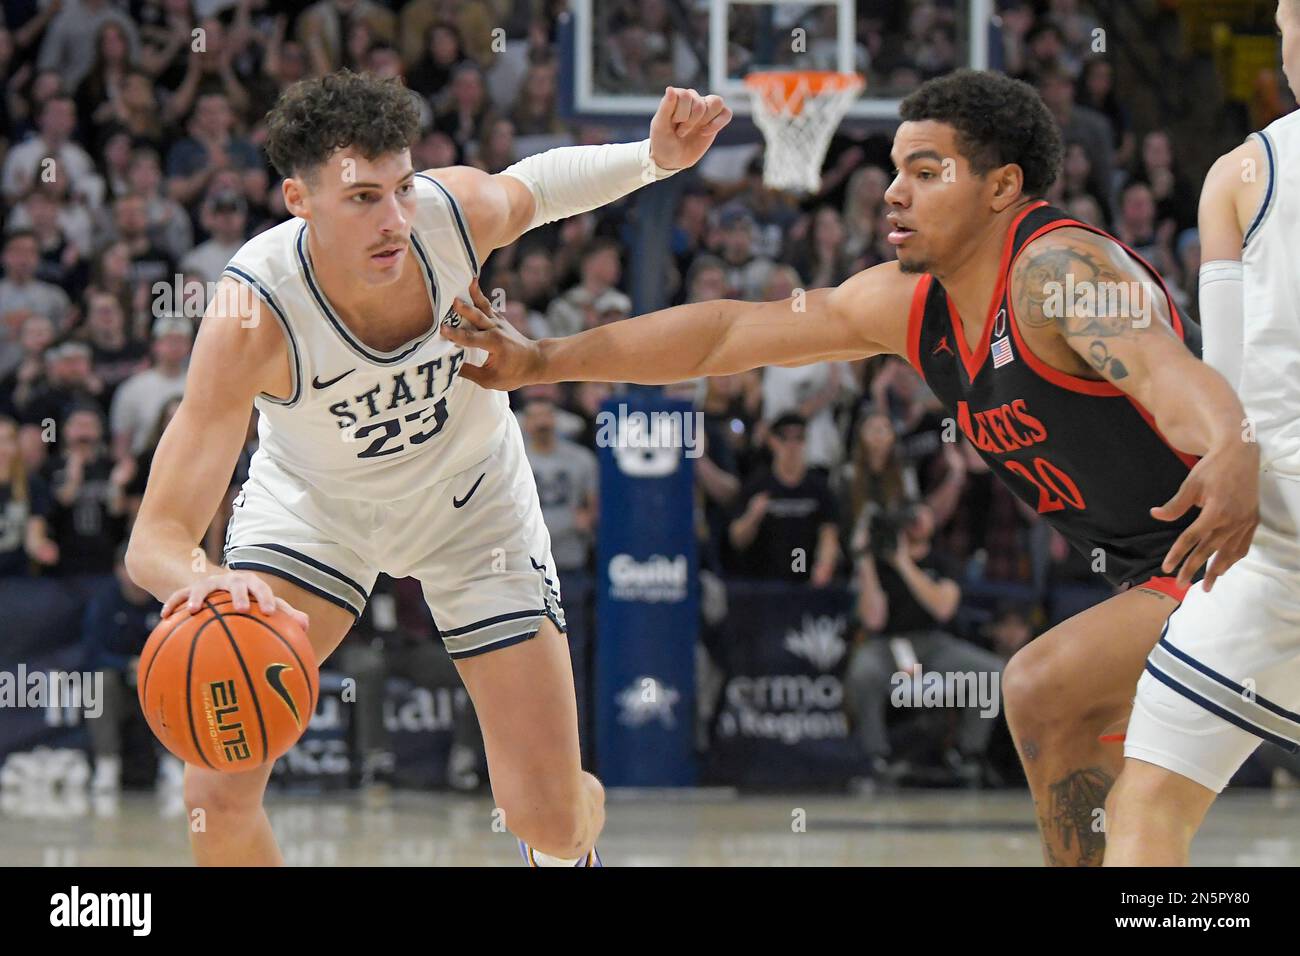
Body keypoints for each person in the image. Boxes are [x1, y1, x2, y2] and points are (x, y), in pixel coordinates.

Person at [441, 68, 1258, 866]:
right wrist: (543, 359)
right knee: (1116, 789)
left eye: (926, 172)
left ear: (1003, 186)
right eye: (895, 170)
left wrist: (1228, 445)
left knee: (1046, 690)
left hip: (1245, 550)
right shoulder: (910, 303)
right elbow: (729, 334)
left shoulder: (1059, 273)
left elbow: (1164, 372)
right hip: (1169, 576)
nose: (893, 192)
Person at [125, 69, 731, 868]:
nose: (395, 220)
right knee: (215, 793)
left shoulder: (448, 219)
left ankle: (575, 802)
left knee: (548, 819)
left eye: (403, 188)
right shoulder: (251, 311)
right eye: (363, 198)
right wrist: (198, 579)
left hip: (471, 506)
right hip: (317, 516)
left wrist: (652, 160)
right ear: (298, 202)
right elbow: (155, 539)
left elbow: (531, 190)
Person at [1104, 0, 1300, 867]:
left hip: (1272, 543)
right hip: (1268, 546)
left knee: (1146, 814)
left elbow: (1225, 395)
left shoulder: (1243, 173)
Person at [846, 501, 1005, 785]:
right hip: (888, 644)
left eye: (921, 515)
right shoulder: (880, 564)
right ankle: (877, 757)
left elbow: (943, 608)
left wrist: (904, 564)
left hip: (934, 643)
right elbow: (873, 619)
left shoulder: (943, 562)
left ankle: (968, 753)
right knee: (863, 672)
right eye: (910, 518)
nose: (916, 522)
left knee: (993, 671)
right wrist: (865, 558)